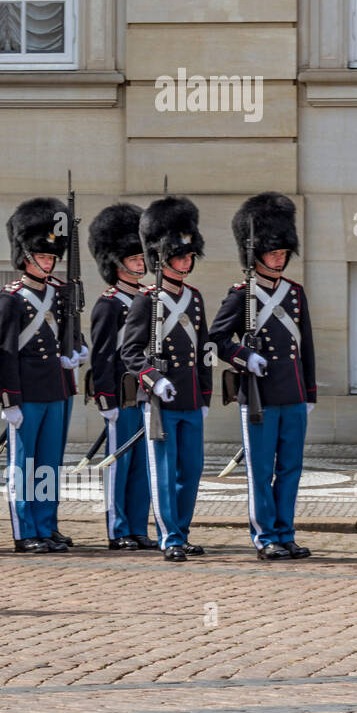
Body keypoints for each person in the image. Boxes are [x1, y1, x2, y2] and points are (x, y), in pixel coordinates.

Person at [210, 192, 316, 561]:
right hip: (260, 396)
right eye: (273, 252)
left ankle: (286, 533)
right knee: (260, 471)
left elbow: (307, 348)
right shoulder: (241, 295)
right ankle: (265, 535)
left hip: (293, 395)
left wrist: (310, 394)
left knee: (290, 469)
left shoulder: (295, 294)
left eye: (283, 252)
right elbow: (218, 339)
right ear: (256, 253)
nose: (279, 257)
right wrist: (244, 356)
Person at [120, 196, 211, 564]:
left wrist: (204, 395)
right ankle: (169, 536)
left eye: (189, 256)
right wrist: (154, 379)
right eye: (179, 256)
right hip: (161, 399)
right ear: (162, 258)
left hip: (190, 398)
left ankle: (183, 531)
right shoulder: (147, 299)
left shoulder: (194, 297)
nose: (186, 261)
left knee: (190, 471)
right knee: (163, 470)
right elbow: (130, 351)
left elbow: (203, 350)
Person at [0, 197, 80, 553]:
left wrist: (78, 350)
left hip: (55, 390)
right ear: (26, 258)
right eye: (42, 257)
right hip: (26, 392)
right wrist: (9, 398)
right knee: (23, 465)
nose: (48, 263)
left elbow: (70, 334)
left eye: (50, 257)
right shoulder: (11, 297)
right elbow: (4, 350)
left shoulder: (60, 293)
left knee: (49, 465)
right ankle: (25, 528)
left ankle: (47, 523)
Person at [86, 202, 155, 551]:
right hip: (123, 396)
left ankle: (138, 525)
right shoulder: (109, 304)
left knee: (144, 467)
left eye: (142, 257)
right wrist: (106, 400)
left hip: (148, 395)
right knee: (121, 465)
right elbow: (101, 357)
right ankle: (118, 528)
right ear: (117, 262)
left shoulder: (148, 298)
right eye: (133, 258)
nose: (141, 263)